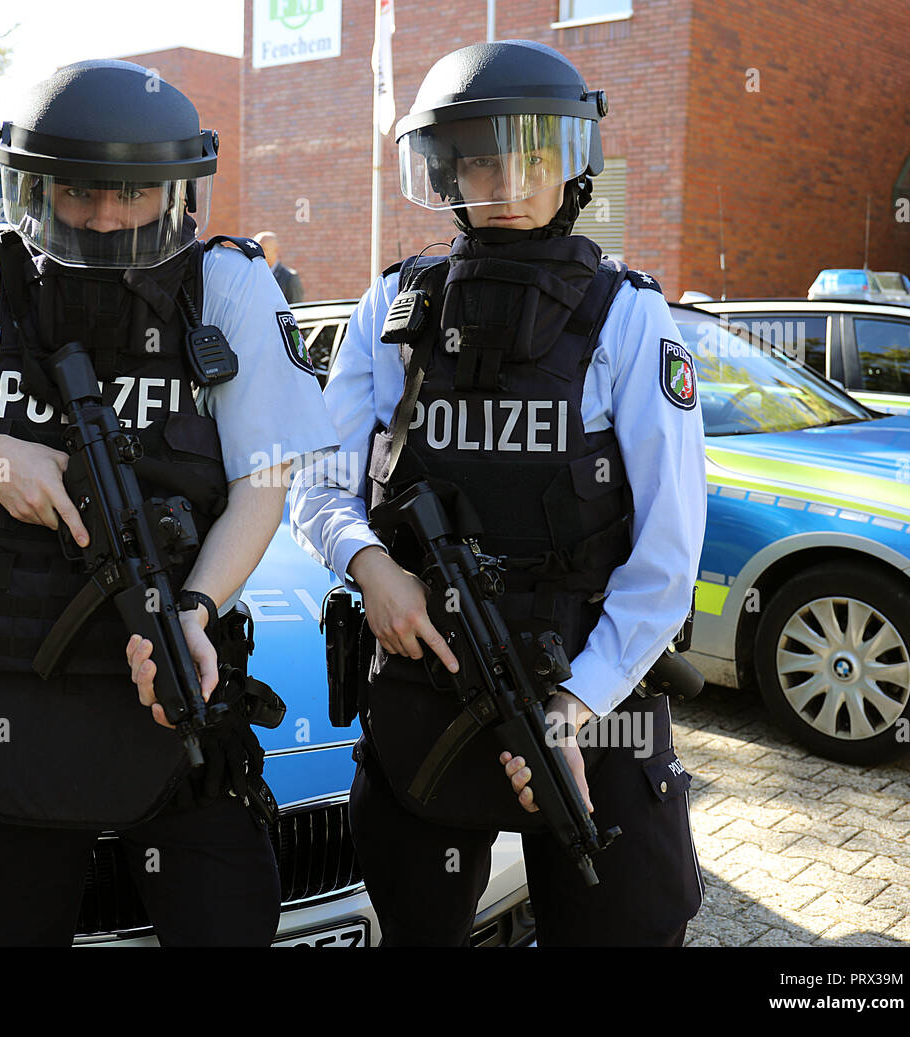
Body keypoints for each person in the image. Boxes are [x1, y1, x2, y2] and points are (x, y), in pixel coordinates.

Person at [0, 59, 336, 947]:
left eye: (130, 195)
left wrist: (195, 606)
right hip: (12, 695)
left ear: (173, 191)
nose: (104, 216)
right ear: (36, 186)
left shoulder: (230, 285)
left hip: (177, 674)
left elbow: (264, 480)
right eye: (77, 192)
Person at [288, 40, 707, 946]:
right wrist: (369, 566)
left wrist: (574, 706)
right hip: (426, 689)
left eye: (533, 156)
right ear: (445, 172)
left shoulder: (627, 316)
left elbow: (669, 556)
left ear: (572, 165)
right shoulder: (392, 308)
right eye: (480, 157)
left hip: (594, 701)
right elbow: (317, 481)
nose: (508, 180)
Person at [254, 230, 304, 304]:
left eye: (263, 249)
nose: (258, 253)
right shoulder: (250, 275)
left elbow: (295, 311)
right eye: (255, 249)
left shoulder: (290, 277)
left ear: (276, 250)